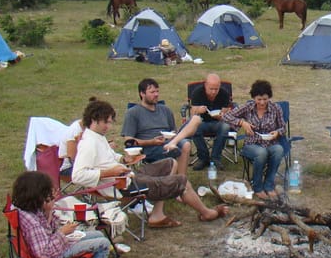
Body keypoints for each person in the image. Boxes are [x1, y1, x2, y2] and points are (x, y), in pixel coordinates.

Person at [72, 100, 229, 227]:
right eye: (106, 122)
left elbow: (109, 157)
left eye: (110, 122)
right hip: (120, 185)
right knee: (181, 180)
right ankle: (207, 213)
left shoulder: (98, 136)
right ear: (93, 119)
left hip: (127, 175)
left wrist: (123, 159)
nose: (109, 126)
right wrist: (109, 173)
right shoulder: (89, 143)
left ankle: (157, 215)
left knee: (170, 163)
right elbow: (78, 176)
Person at [12, 170, 115, 258]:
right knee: (103, 244)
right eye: (46, 195)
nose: (49, 197)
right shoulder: (31, 221)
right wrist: (62, 233)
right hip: (53, 254)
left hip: (54, 244)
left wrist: (49, 210)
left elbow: (49, 229)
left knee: (98, 234)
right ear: (36, 195)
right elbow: (45, 251)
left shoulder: (29, 210)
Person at [121, 78, 201, 176]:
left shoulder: (165, 110)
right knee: (180, 146)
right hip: (150, 148)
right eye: (152, 92)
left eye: (157, 91)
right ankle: (178, 183)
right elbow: (128, 140)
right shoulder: (133, 113)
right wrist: (151, 142)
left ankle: (181, 180)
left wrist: (172, 136)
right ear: (142, 94)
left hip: (169, 142)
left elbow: (173, 131)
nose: (156, 94)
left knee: (195, 120)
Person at [223, 79, 286, 199]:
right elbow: (226, 116)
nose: (262, 102)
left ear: (269, 97)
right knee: (261, 153)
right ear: (254, 98)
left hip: (270, 142)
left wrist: (277, 133)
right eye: (259, 99)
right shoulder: (248, 107)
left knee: (278, 150)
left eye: (265, 99)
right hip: (251, 144)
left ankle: (269, 185)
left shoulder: (275, 108)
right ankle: (257, 186)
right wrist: (242, 122)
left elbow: (282, 127)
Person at [189, 73, 233, 171]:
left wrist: (221, 116)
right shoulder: (197, 93)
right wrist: (198, 110)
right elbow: (192, 113)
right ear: (205, 85)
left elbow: (225, 114)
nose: (213, 92)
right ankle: (203, 157)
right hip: (202, 122)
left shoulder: (224, 94)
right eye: (211, 89)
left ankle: (215, 157)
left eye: (216, 89)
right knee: (193, 126)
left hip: (217, 123)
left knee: (225, 126)